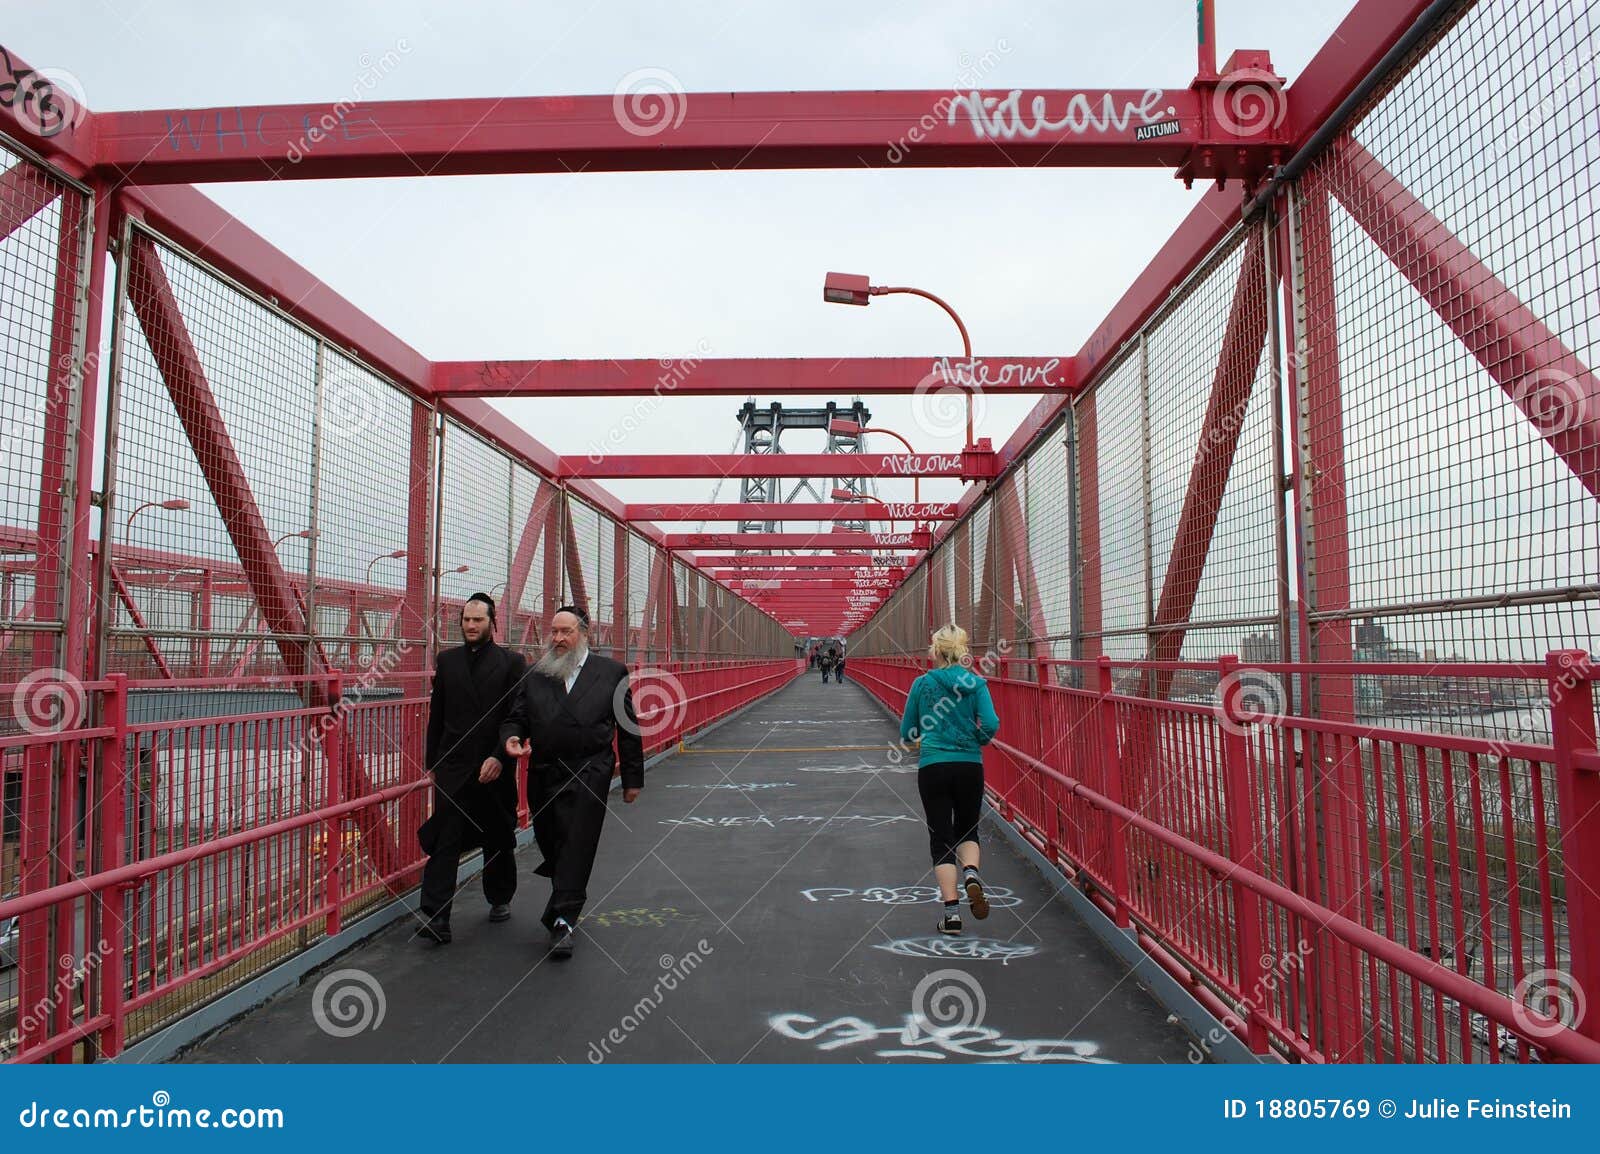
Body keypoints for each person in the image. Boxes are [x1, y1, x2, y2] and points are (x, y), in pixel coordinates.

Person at [501, 605, 644, 959]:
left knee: (577, 842)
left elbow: (627, 726)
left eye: (566, 631)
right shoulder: (537, 674)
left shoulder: (610, 672)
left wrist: (632, 778)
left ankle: (563, 919)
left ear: (584, 634)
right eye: (554, 631)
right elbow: (517, 716)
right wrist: (512, 737)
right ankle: (564, 893)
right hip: (544, 771)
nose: (558, 638)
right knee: (551, 841)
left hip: (590, 770)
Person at [417, 593, 527, 944]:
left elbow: (517, 716)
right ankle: (437, 917)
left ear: (492, 624)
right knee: (446, 836)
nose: (470, 625)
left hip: (494, 764)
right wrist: (433, 763)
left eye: (478, 620)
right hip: (453, 766)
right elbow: (437, 715)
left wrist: (500, 757)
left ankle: (499, 897)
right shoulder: (447, 661)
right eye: (466, 619)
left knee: (498, 833)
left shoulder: (512, 663)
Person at [898, 624, 1000, 936]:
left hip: (934, 766)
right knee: (968, 828)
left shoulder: (922, 683)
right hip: (969, 765)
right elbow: (991, 723)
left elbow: (907, 732)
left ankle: (952, 915)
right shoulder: (976, 683)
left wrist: (923, 739)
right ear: (962, 650)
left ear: (936, 651)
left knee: (940, 838)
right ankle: (971, 873)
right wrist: (976, 740)